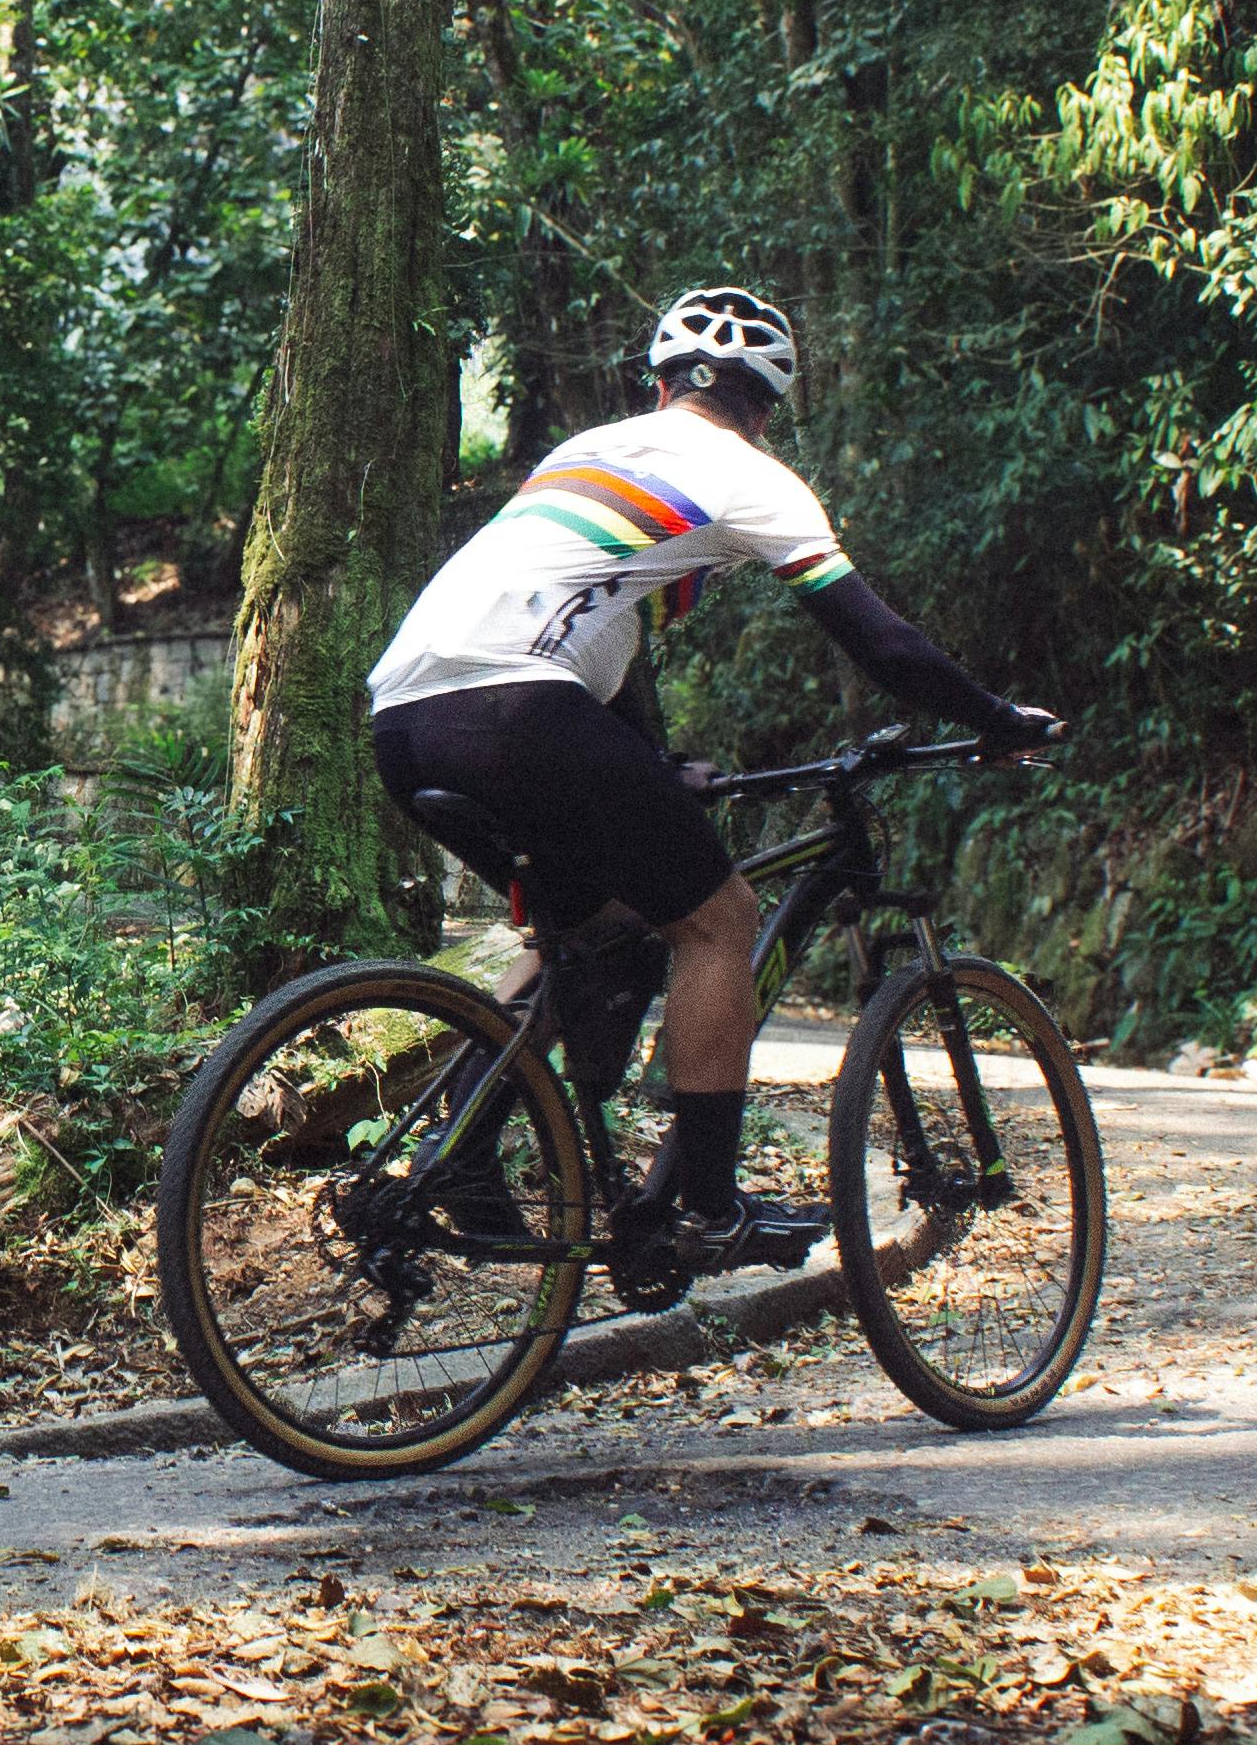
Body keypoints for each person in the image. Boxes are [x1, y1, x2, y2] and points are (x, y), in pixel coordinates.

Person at [367, 286, 1059, 1272]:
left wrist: (644, 767)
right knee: (719, 919)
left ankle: (461, 1161)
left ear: (657, 386)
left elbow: (580, 636)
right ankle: (705, 1209)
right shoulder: (752, 476)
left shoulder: (585, 455)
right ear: (766, 406)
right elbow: (879, 640)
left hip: (402, 719)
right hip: (520, 713)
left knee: (597, 931)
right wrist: (996, 720)